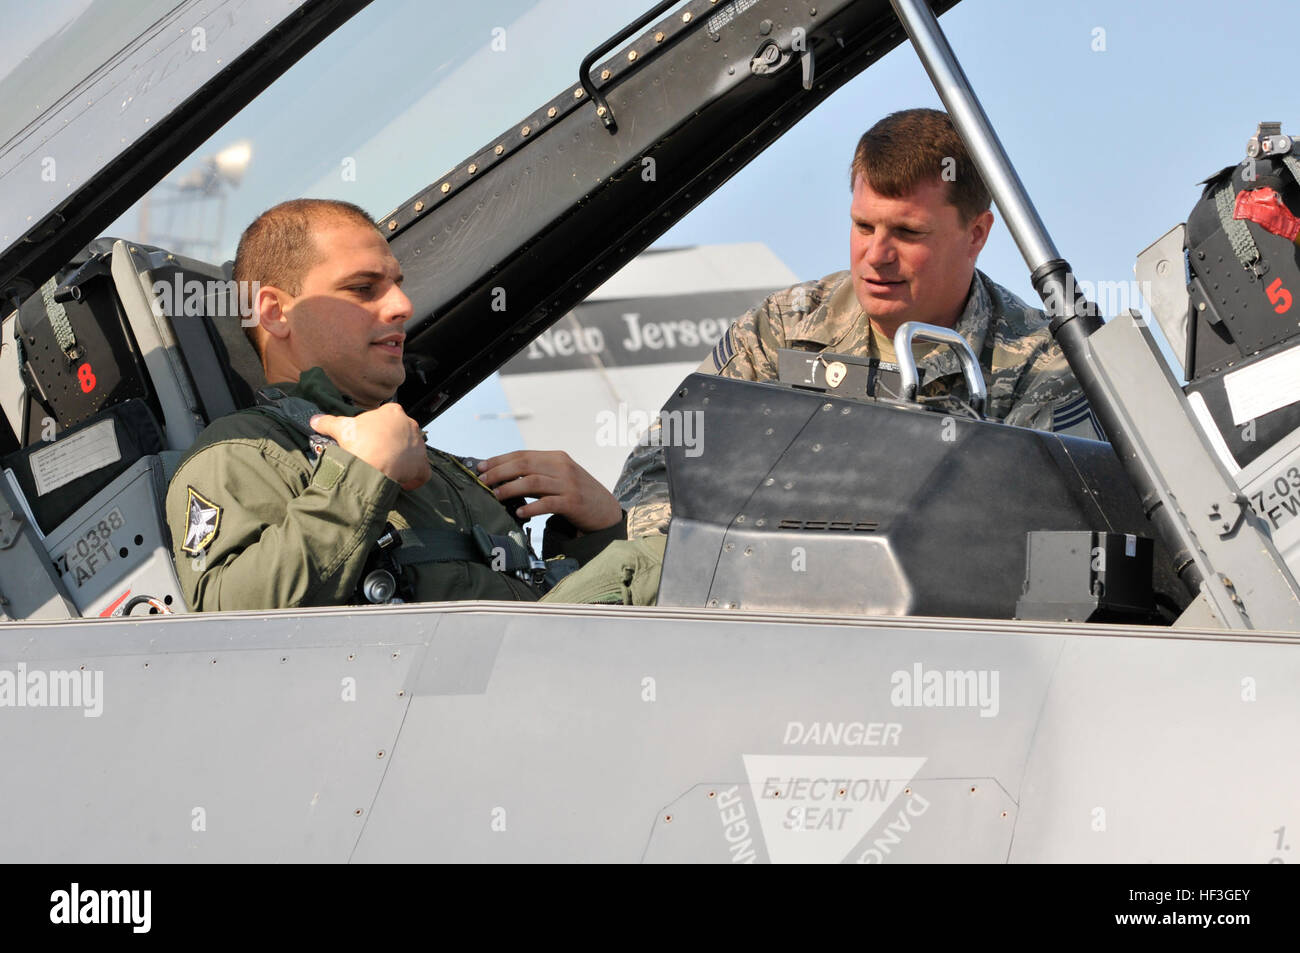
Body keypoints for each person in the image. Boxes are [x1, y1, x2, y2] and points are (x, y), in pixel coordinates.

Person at [614, 108, 1100, 539]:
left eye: (907, 233)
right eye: (863, 226)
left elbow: (1043, 539)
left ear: (976, 234)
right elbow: (657, 472)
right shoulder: (785, 328)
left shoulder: (1046, 364)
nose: (876, 255)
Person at [166, 198, 660, 610]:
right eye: (363, 289)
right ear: (275, 312)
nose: (402, 306)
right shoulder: (241, 453)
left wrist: (597, 530)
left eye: (397, 284)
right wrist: (363, 473)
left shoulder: (440, 468)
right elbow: (231, 624)